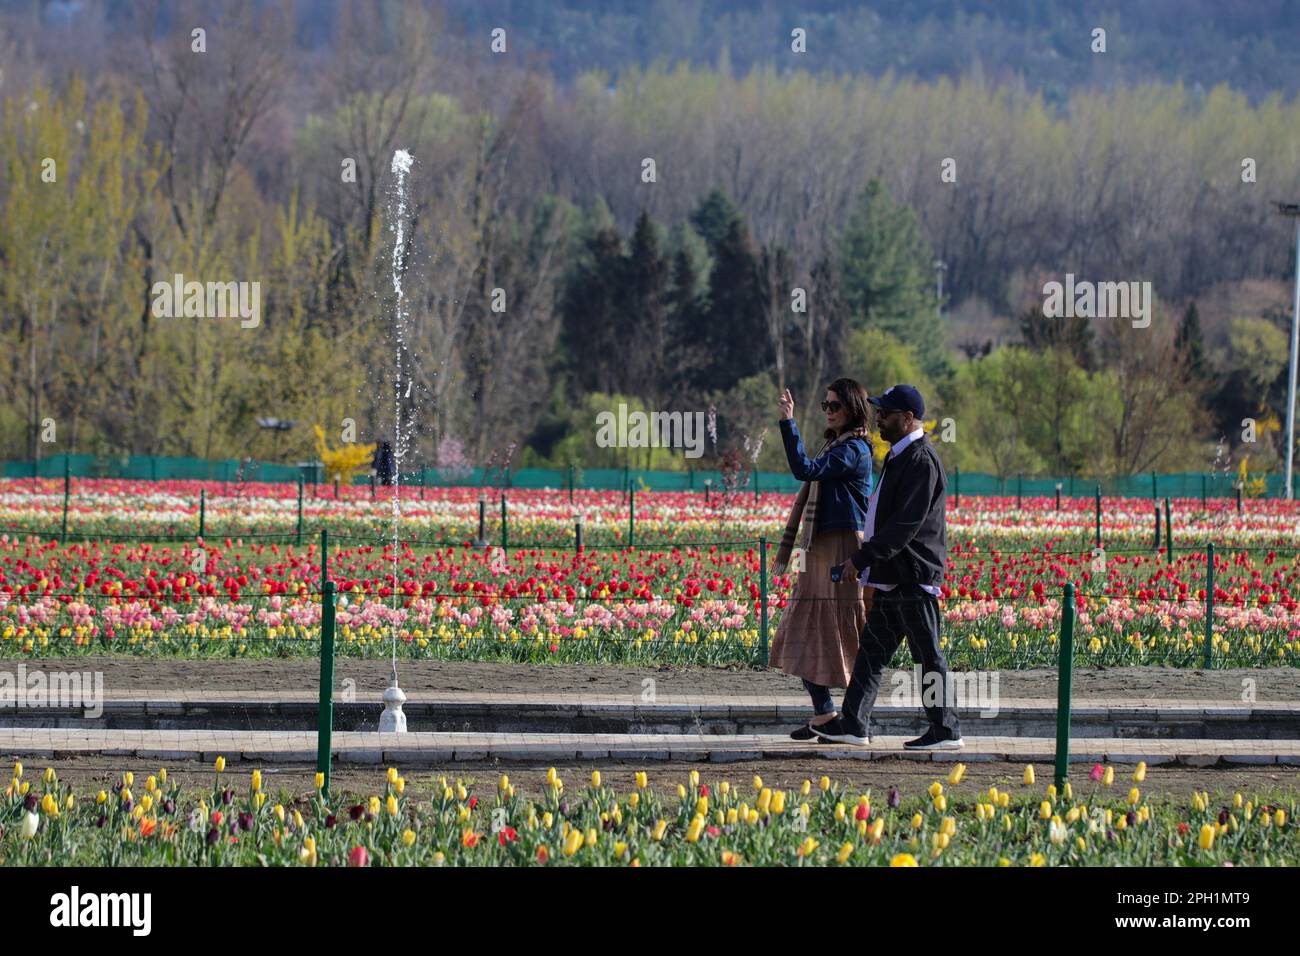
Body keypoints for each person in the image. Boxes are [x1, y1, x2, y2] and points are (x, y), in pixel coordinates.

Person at [813, 384, 963, 751]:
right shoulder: (901, 455)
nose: (878, 417)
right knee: (872, 652)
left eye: (886, 413)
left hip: (912, 575)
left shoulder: (921, 460)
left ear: (908, 418)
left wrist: (860, 559)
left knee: (927, 655)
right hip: (893, 577)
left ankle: (945, 730)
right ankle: (854, 723)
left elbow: (904, 526)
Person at [771, 379, 874, 740]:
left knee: (842, 632)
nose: (828, 411)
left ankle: (852, 719)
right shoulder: (835, 447)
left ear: (852, 410)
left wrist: (788, 423)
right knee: (803, 623)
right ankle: (825, 713)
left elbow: (805, 470)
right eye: (825, 405)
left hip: (841, 549)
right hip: (813, 548)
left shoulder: (854, 451)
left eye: (835, 406)